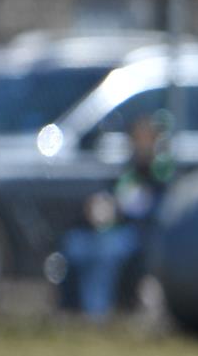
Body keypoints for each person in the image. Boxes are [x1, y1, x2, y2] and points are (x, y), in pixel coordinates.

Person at [60, 113, 172, 319]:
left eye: (145, 140)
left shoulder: (159, 174)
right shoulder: (126, 172)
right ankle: (69, 310)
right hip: (110, 230)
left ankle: (96, 314)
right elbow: (111, 198)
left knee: (105, 250)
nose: (139, 145)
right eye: (136, 139)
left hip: (140, 235)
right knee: (75, 244)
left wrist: (119, 210)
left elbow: (148, 210)